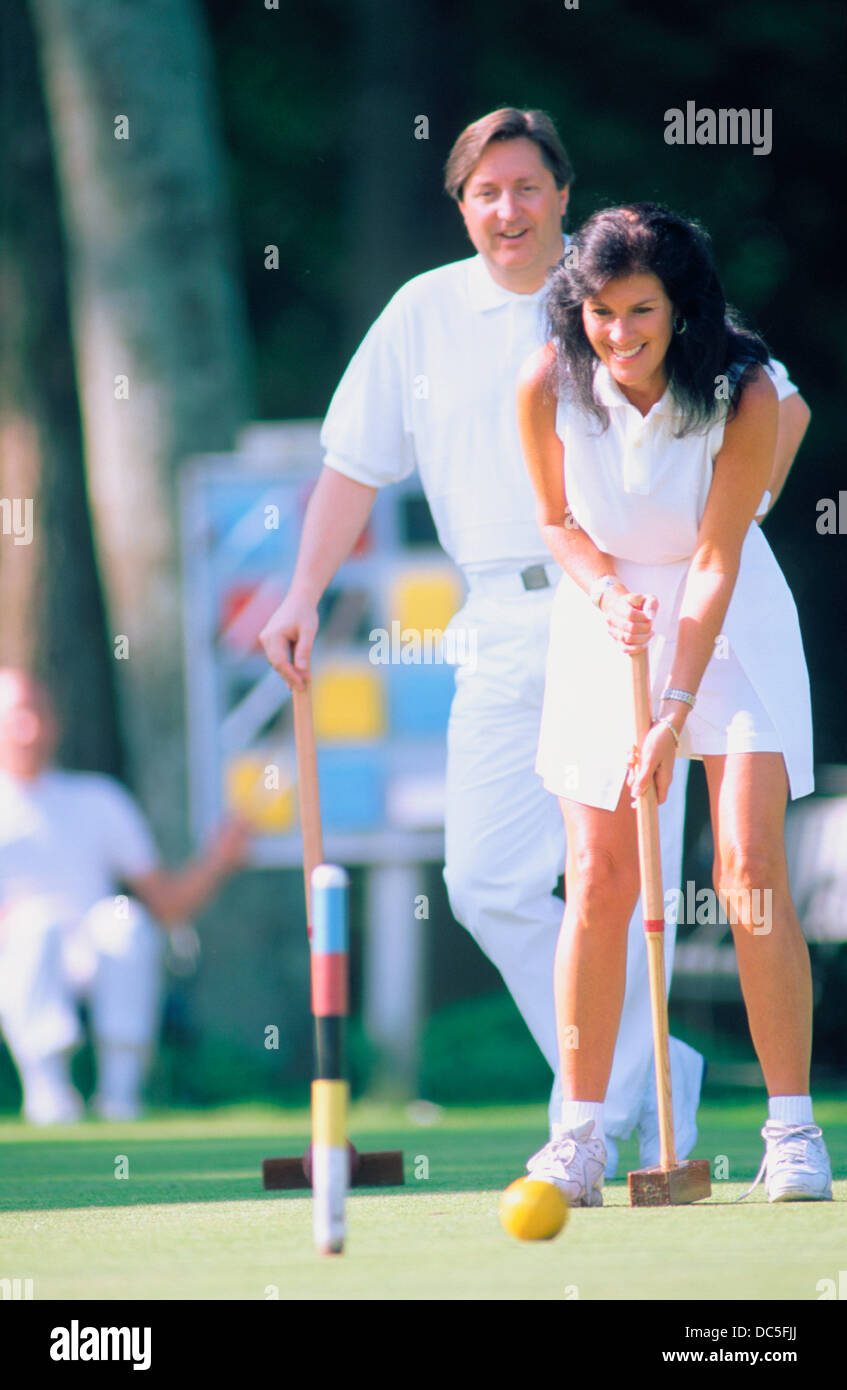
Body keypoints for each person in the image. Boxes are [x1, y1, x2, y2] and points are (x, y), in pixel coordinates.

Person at [259, 109, 810, 1176]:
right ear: (460, 204)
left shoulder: (635, 283)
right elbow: (353, 463)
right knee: (488, 883)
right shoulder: (425, 313)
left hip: (662, 606)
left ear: (563, 193)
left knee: (668, 874)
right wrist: (301, 593)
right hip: (516, 615)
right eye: (483, 191)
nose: (504, 209)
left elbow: (772, 407)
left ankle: (610, 1118)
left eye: (523, 187)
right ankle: (642, 1075)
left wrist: (732, 520)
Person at [516, 202, 831, 1205]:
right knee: (599, 879)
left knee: (745, 868)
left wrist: (670, 709)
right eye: (600, 312)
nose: (618, 334)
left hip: (725, 621)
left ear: (681, 308)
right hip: (603, 616)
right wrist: (606, 593)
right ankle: (579, 1134)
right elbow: (556, 520)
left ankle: (790, 1132)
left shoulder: (742, 392)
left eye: (640, 311)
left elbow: (715, 555)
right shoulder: (545, 381)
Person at [0, 669, 248, 1122]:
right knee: (35, 924)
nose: (29, 728)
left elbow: (166, 905)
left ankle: (121, 1096)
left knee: (125, 920)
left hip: (91, 955)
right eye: (17, 715)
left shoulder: (99, 799)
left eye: (37, 714)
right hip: (15, 957)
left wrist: (218, 859)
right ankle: (49, 1094)